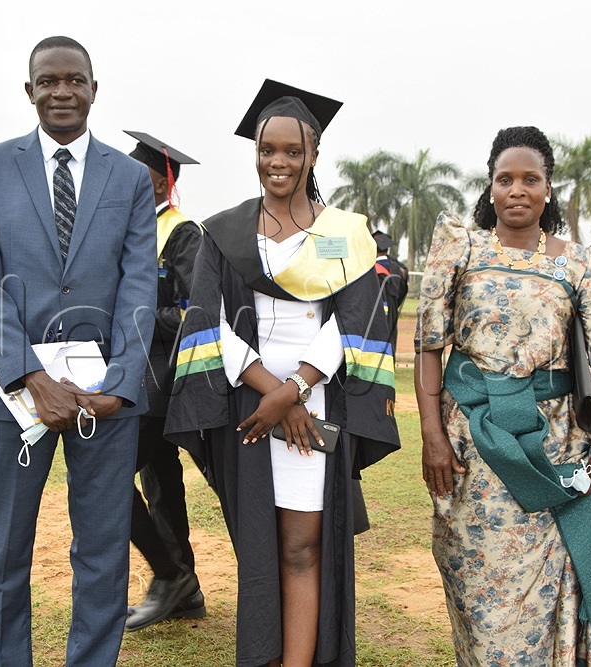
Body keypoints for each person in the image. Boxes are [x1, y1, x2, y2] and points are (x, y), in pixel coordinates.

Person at [165, 79, 400, 667]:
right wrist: (273, 394)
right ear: (256, 153)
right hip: (250, 403)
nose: (279, 162)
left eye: (293, 151)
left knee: (301, 547)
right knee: (257, 550)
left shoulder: (344, 233)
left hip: (312, 405)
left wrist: (296, 389)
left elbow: (353, 320)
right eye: (267, 149)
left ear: (313, 154)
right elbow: (210, 321)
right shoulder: (225, 232)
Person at [0, 36, 156, 665]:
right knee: (2, 551)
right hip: (13, 394)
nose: (62, 92)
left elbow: (139, 286)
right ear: (30, 91)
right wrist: (29, 375)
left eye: (74, 80)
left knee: (102, 550)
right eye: (48, 81)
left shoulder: (129, 178)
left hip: (104, 397)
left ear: (94, 90)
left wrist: (119, 384)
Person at [414, 126, 591, 666]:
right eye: (505, 179)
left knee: (552, 583)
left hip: (552, 449)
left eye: (530, 179)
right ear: (490, 187)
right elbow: (428, 347)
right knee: (480, 599)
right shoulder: (461, 249)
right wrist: (432, 436)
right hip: (473, 448)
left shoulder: (579, 262)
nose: (517, 189)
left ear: (548, 188)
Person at [123, 131, 206, 630]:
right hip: (130, 372)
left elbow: (197, 311)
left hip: (164, 374)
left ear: (159, 183)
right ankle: (186, 589)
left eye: (137, 175)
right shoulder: (129, 229)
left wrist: (140, 317)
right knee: (159, 478)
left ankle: (170, 575)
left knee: (110, 476)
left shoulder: (181, 233)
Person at [371, 230, 409, 350]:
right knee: (390, 342)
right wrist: (392, 304)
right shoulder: (398, 269)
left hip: (374, 312)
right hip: (392, 310)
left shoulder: (370, 269)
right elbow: (402, 291)